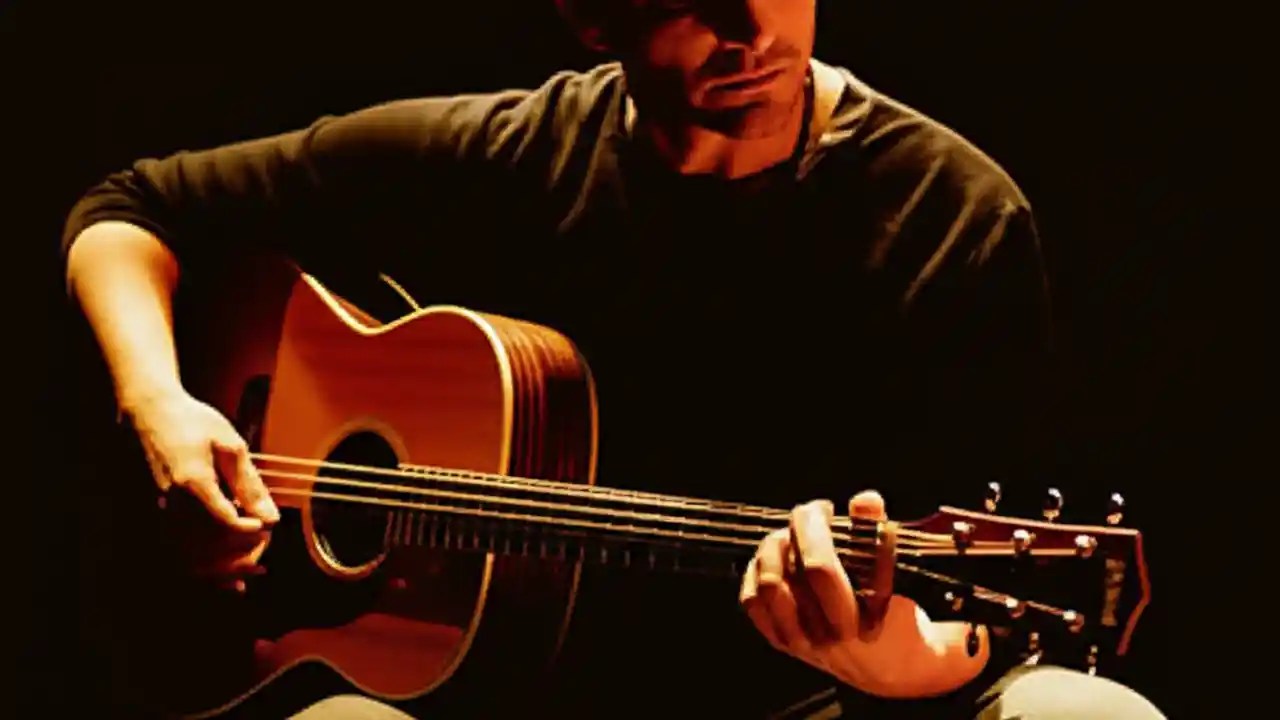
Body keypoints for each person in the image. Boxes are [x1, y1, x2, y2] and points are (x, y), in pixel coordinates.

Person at [59, 0, 1165, 718]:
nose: (749, 29)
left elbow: (970, 622)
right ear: (590, 16)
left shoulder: (949, 214)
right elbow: (128, 210)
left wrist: (882, 658)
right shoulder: (501, 156)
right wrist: (159, 406)